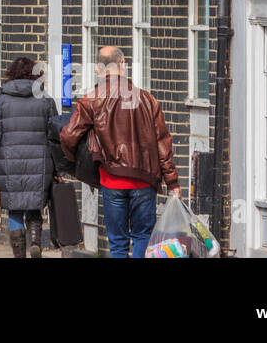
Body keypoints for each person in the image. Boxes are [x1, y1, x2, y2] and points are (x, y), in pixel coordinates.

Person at [60, 46, 180, 258]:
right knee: (143, 235)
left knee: (117, 243)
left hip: (111, 180)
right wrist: (172, 182)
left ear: (98, 69)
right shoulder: (147, 99)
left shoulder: (90, 100)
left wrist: (76, 162)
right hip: (144, 179)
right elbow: (163, 143)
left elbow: (69, 136)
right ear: (123, 66)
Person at [0, 56, 57, 258]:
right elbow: (55, 138)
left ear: (10, 74)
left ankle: (19, 254)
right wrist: (59, 169)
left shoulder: (2, 100)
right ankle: (36, 242)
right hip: (39, 165)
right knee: (34, 207)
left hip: (8, 166)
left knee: (14, 210)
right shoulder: (45, 100)